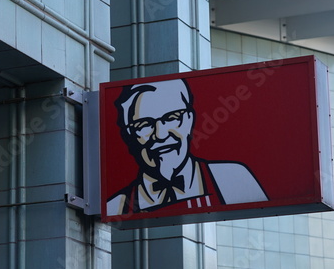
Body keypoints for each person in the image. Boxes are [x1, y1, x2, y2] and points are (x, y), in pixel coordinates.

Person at [107, 78, 267, 216]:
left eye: (172, 118)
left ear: (189, 120)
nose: (161, 134)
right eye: (144, 124)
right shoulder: (115, 207)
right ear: (129, 134)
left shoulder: (231, 179)